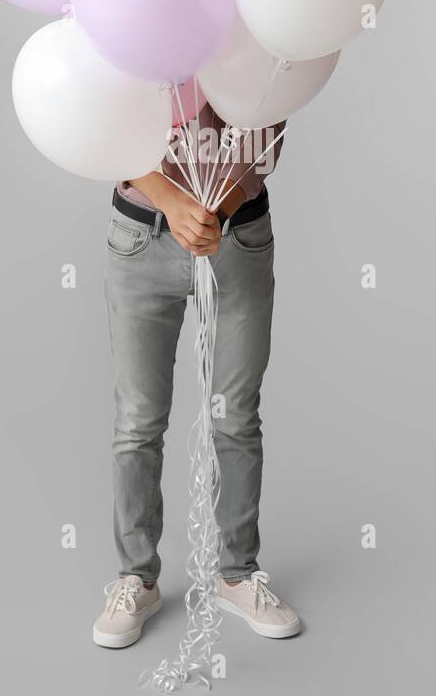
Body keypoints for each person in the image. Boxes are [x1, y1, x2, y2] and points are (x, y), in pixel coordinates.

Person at [92, 103, 301, 648]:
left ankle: (238, 575)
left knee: (235, 417)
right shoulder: (129, 18)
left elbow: (274, 105)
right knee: (138, 419)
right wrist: (169, 199)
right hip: (140, 237)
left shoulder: (251, 23)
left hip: (237, 236)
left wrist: (217, 205)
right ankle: (136, 579)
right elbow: (101, 116)